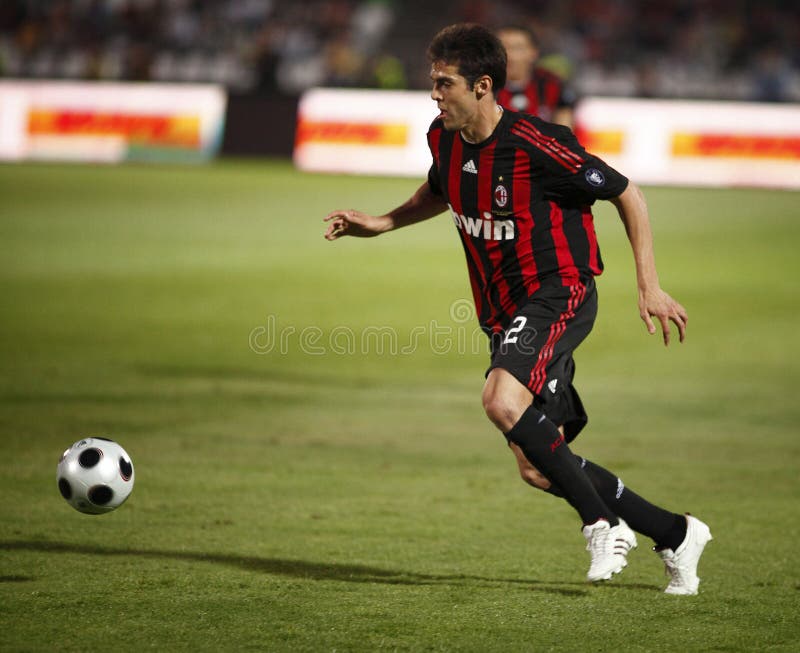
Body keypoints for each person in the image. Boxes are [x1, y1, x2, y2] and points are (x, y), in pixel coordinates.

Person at [323, 23, 711, 594]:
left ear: (482, 86)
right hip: (502, 314)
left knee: (500, 399)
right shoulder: (443, 138)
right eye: (433, 83)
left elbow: (626, 191)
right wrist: (382, 223)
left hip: (560, 290)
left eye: (444, 83)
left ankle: (601, 524)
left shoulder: (538, 142)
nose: (434, 94)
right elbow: (440, 188)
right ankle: (676, 533)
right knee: (537, 463)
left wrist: (648, 285)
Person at [495, 24, 575, 127]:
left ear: (533, 52)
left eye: (517, 48)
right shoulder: (481, 87)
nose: (509, 55)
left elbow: (565, 130)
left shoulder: (552, 85)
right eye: (502, 47)